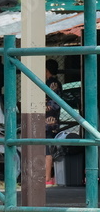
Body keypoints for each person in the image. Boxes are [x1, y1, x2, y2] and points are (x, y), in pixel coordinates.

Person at [44, 58, 62, 186]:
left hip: (49, 120)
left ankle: (47, 177)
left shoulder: (53, 83)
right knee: (47, 147)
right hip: (50, 119)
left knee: (47, 149)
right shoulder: (52, 83)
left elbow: (54, 104)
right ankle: (47, 176)